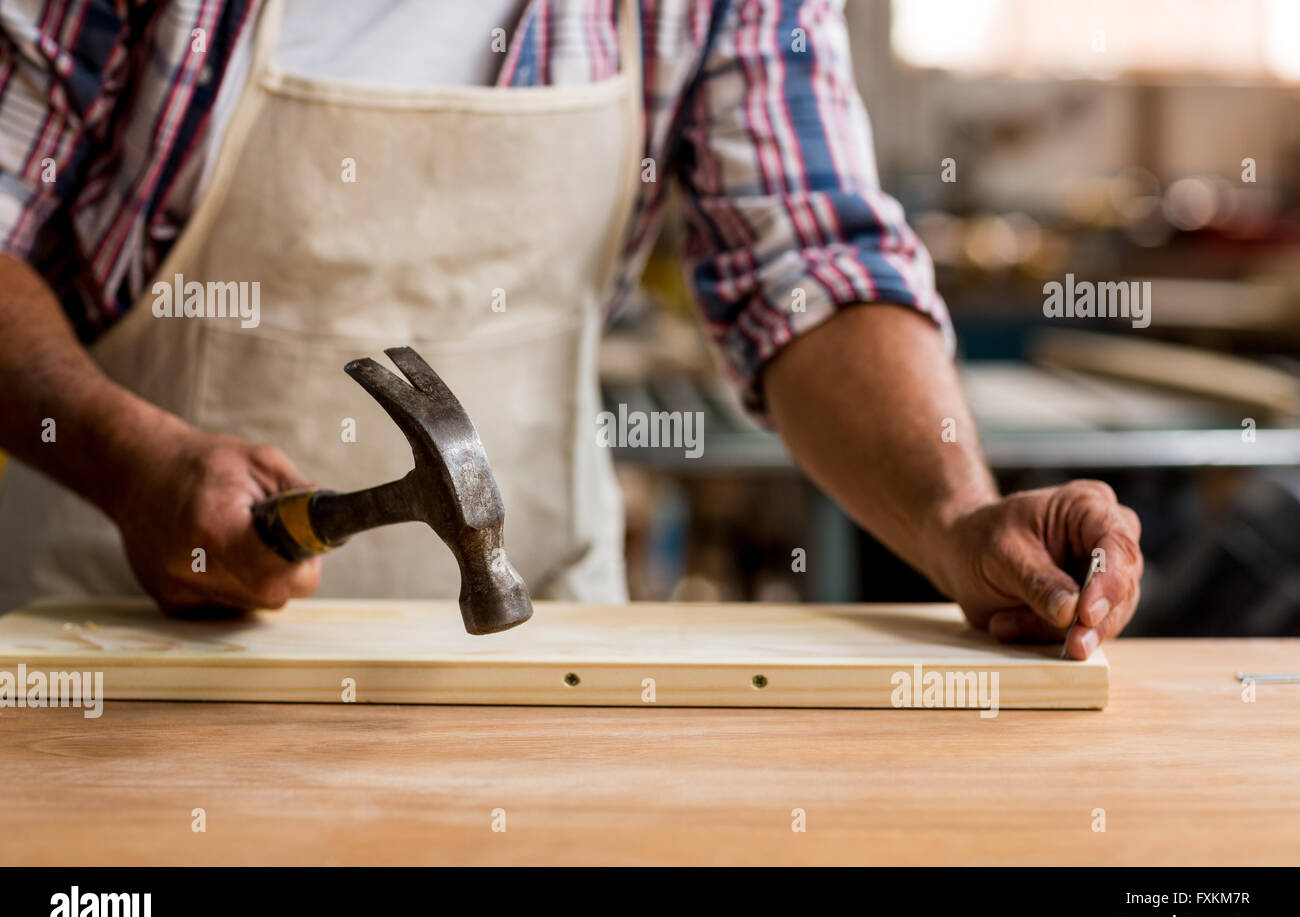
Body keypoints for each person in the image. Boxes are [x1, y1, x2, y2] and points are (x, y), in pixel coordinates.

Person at [0, 0, 1141, 658]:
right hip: (120, 633)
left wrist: (951, 514)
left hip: (529, 657)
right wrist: (123, 452)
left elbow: (804, 259)